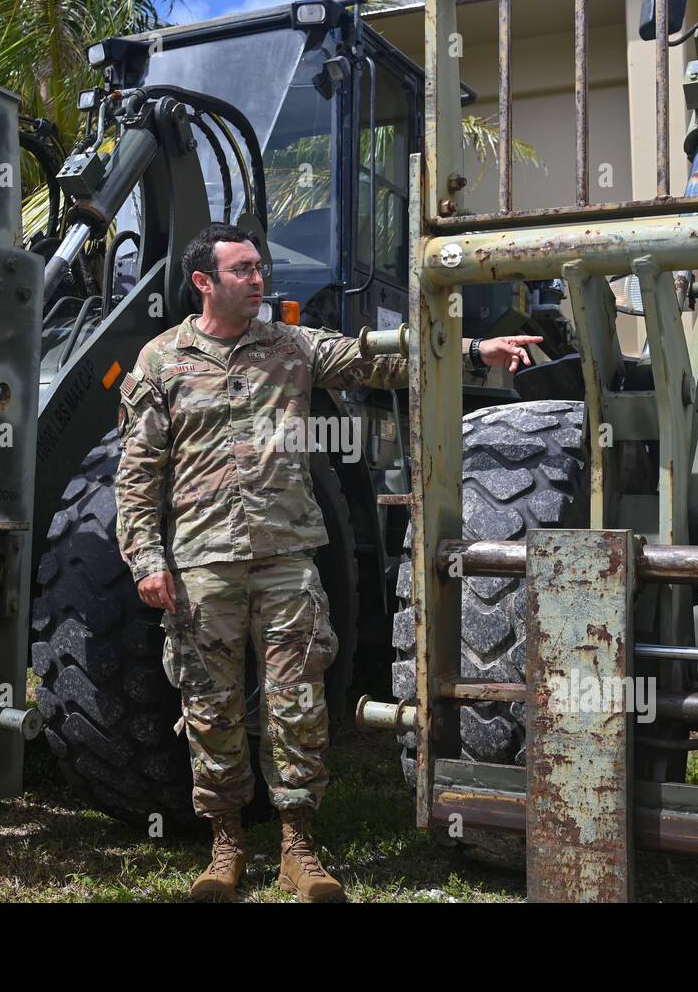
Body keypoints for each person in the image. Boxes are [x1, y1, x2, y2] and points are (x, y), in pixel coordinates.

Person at [115, 222, 541, 902]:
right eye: (243, 270)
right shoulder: (160, 362)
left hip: (287, 561)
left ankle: (297, 846)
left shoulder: (292, 346)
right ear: (204, 282)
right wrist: (145, 558)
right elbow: (137, 475)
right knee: (209, 706)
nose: (259, 279)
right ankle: (226, 845)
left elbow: (385, 361)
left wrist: (474, 349)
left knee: (297, 705)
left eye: (260, 267)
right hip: (202, 567)